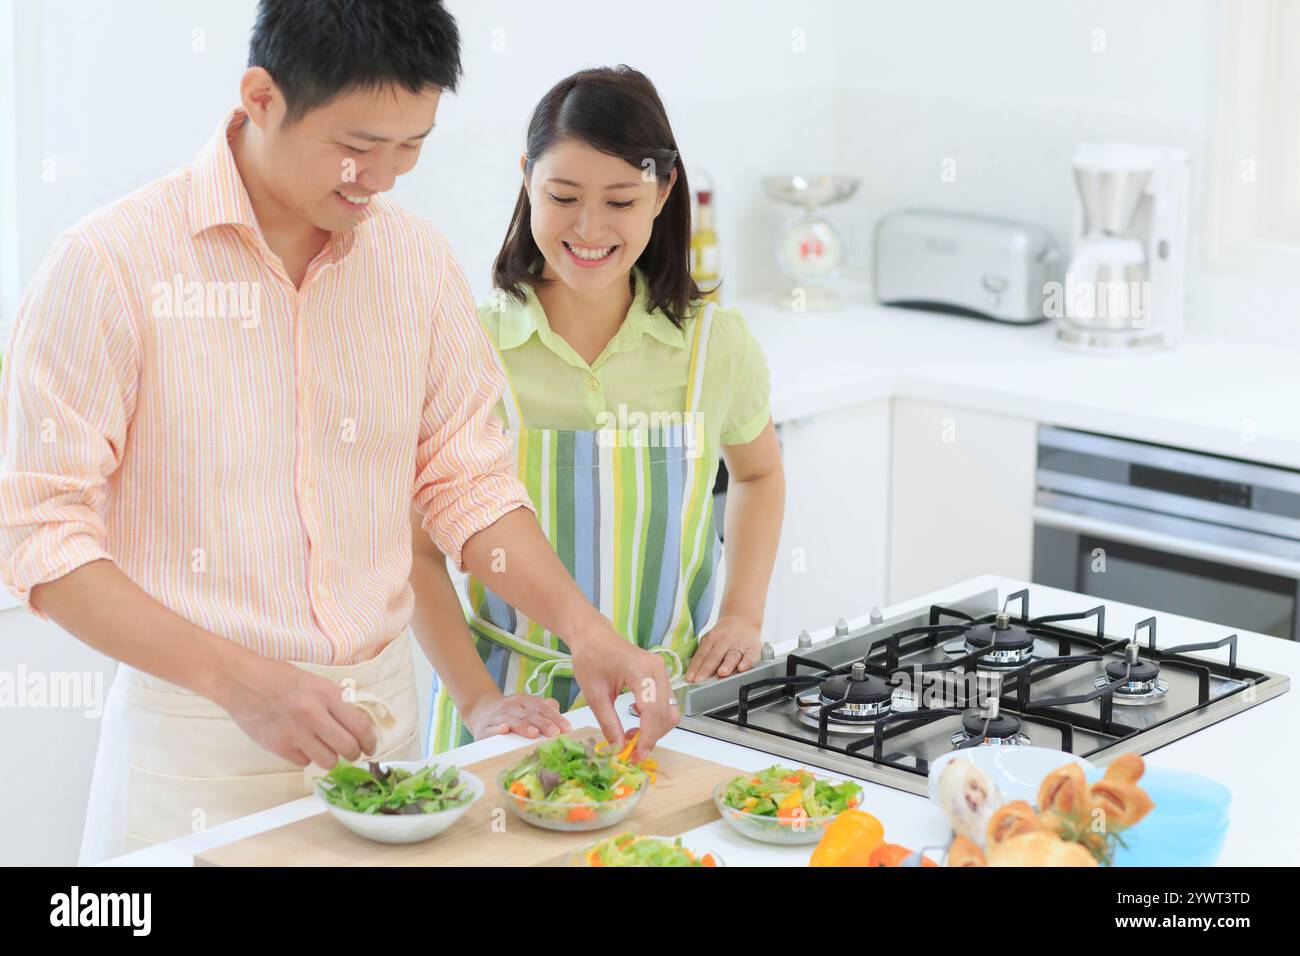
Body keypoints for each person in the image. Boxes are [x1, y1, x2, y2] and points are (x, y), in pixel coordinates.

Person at [0, 1, 675, 865]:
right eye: (358, 145)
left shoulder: (414, 263)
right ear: (261, 97)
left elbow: (465, 485)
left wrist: (585, 628)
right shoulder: (109, 265)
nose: (382, 178)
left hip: (383, 743)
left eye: (412, 147)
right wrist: (239, 680)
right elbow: (40, 539)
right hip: (196, 749)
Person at [414, 66, 785, 753]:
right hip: (514, 716)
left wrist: (741, 613)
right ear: (526, 180)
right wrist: (479, 701)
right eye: (563, 195)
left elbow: (760, 474)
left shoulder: (713, 346)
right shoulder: (470, 346)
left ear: (664, 190)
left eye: (620, 200)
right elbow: (414, 550)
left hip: (665, 713)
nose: (589, 228)